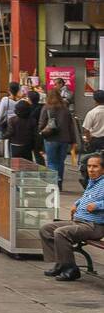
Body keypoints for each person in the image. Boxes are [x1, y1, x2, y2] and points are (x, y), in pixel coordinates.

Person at [39, 153, 104, 282]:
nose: (91, 170)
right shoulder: (93, 182)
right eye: (89, 166)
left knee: (61, 233)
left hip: (94, 226)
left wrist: (97, 205)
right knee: (46, 229)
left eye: (95, 166)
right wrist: (77, 203)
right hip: (79, 221)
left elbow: (95, 202)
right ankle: (60, 263)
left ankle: (71, 269)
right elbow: (87, 197)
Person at [38, 89, 78, 190]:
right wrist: (73, 140)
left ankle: (53, 184)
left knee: (52, 162)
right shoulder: (65, 109)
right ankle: (59, 183)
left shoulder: (46, 108)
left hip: (51, 139)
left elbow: (41, 124)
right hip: (64, 139)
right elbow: (71, 126)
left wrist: (41, 132)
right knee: (60, 162)